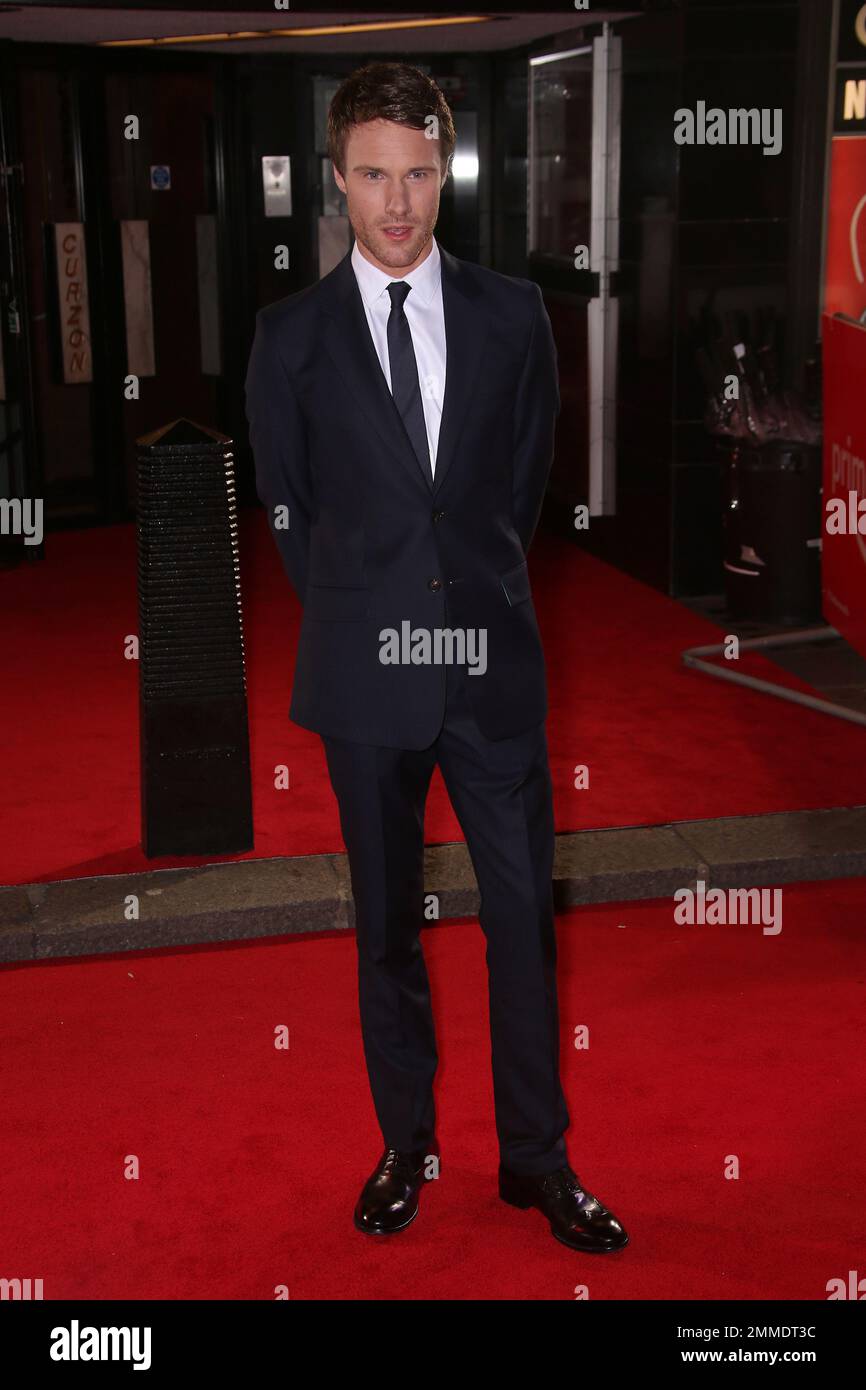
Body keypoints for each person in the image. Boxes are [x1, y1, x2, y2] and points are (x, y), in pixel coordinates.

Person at [245, 60, 627, 1255]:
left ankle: (536, 1159)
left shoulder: (515, 315)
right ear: (338, 179)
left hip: (490, 663)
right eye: (372, 175)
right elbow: (291, 511)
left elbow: (517, 487)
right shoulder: (288, 337)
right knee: (386, 931)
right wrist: (368, 616)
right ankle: (405, 1142)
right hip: (364, 676)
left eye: (417, 175)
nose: (396, 202)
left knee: (522, 917)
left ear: (443, 173)